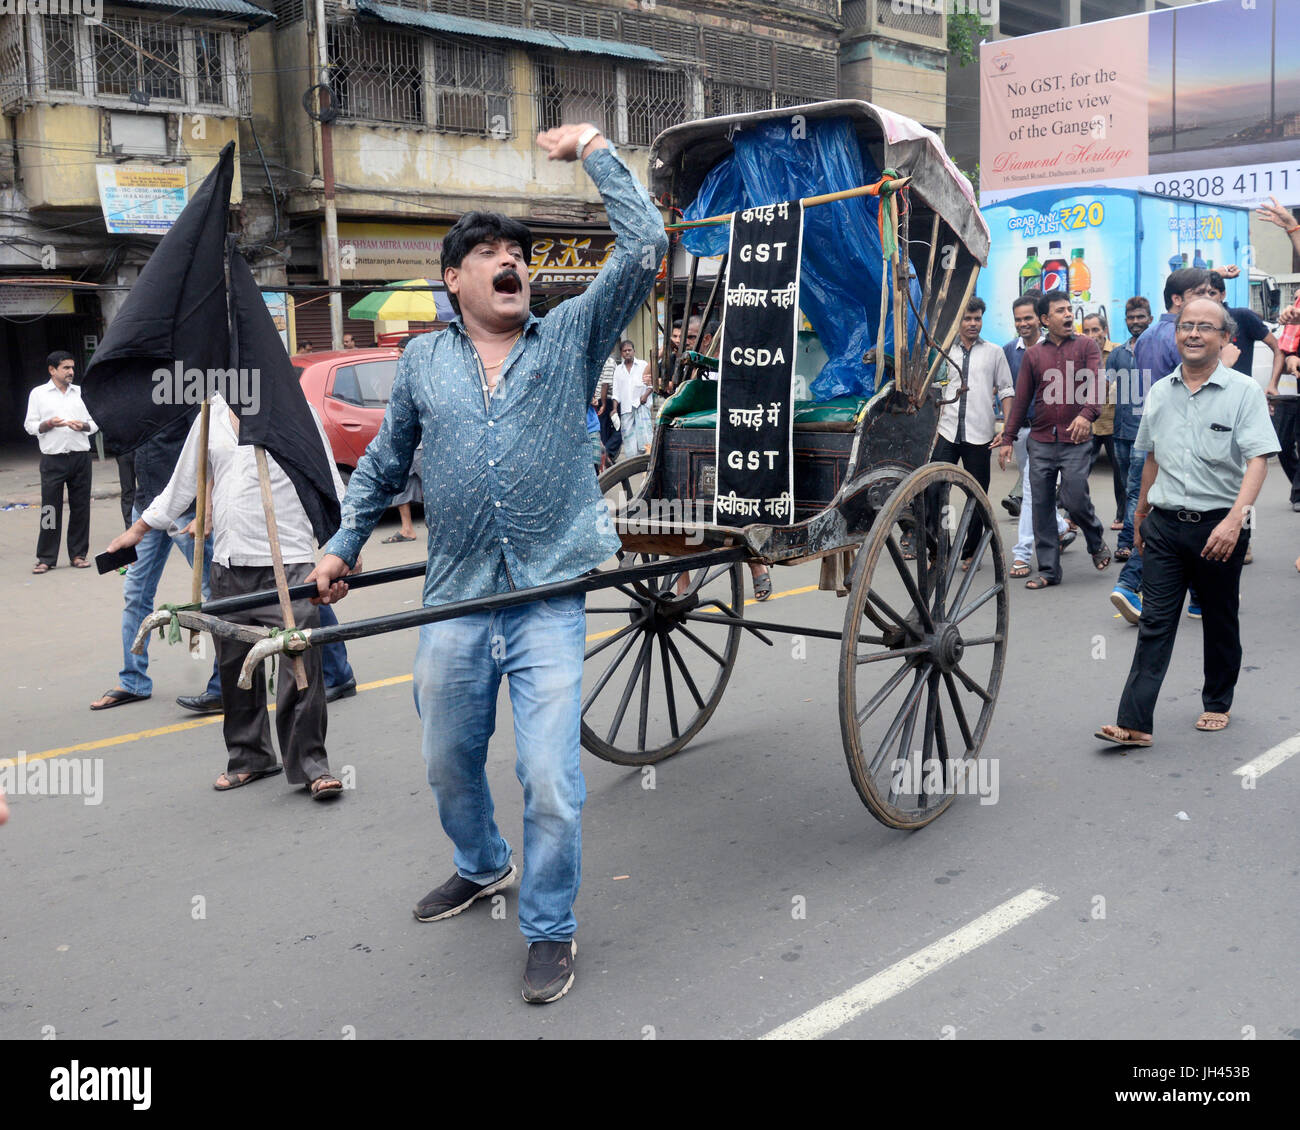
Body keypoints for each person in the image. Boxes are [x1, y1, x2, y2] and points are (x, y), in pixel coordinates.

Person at [307, 121, 668, 1004]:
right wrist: (343, 544)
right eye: (491, 253)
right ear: (455, 279)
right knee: (446, 761)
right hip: (458, 599)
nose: (512, 263)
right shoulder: (424, 362)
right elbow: (386, 465)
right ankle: (481, 865)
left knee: (549, 775)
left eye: (519, 253)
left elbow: (647, 243)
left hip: (550, 593)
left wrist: (592, 150)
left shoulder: (573, 335)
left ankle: (549, 928)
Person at [102, 393, 349, 798]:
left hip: (287, 562)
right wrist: (138, 530)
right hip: (228, 563)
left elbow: (328, 480)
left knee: (298, 666)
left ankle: (311, 765)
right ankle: (250, 757)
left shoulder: (290, 406)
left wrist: (345, 552)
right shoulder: (210, 413)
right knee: (237, 671)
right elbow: (183, 483)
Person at [1095, 299, 1278, 747]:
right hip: (1163, 525)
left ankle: (1217, 702)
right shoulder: (1159, 391)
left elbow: (1258, 460)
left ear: (1224, 338)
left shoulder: (1243, 391)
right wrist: (1139, 515)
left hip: (1219, 527)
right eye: (1186, 326)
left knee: (1219, 618)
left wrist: (1236, 521)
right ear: (1176, 335)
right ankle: (1135, 722)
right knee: (1156, 620)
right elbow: (1152, 455)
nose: (1194, 334)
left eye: (1205, 327)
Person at [89, 420, 224, 712]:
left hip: (188, 508)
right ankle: (133, 681)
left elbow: (212, 453)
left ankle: (223, 684)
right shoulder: (137, 394)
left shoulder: (185, 391)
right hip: (148, 509)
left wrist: (207, 509)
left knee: (216, 593)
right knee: (135, 593)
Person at [1109, 268, 1213, 622]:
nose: (1208, 299)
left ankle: (1200, 597)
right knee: (1170, 519)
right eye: (1201, 293)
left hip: (1149, 436)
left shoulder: (1151, 336)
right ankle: (1130, 582)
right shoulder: (1181, 338)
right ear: (1178, 300)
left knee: (1182, 516)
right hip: (1176, 442)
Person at [998, 289, 1109, 588]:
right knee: (1042, 505)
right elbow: (1021, 401)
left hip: (1076, 440)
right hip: (1041, 441)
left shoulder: (1087, 346)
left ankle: (1095, 538)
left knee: (1074, 497)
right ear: (1046, 319)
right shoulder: (1034, 355)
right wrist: (1008, 437)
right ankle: (1048, 570)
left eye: (1069, 309)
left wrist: (1087, 415)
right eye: (1060, 311)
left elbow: (1098, 386)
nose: (1069, 315)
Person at [932, 298, 1014, 569]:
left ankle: (971, 552)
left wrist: (1008, 431)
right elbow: (935, 388)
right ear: (958, 320)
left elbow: (1005, 390)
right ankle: (938, 551)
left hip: (980, 435)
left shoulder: (994, 352)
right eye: (967, 319)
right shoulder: (943, 351)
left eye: (977, 319)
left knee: (976, 494)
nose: (972, 324)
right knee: (934, 491)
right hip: (946, 432)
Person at [25, 351, 97, 573]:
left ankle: (78, 554)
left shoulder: (81, 393)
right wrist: (47, 424)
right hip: (53, 459)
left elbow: (95, 422)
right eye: (65, 368)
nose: (71, 372)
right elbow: (30, 425)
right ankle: (46, 557)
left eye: (72, 368)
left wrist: (83, 426)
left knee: (80, 508)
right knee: (49, 509)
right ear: (52, 370)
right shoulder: (38, 394)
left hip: (80, 457)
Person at [1108, 296, 1153, 561]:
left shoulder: (1157, 349)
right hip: (1120, 431)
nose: (1136, 322)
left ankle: (1126, 541)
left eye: (1141, 317)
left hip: (1143, 433)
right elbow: (1105, 387)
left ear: (1150, 318)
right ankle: (1143, 533)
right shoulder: (1117, 354)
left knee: (1136, 488)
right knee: (1128, 488)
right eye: (1131, 318)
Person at [999, 291, 1042, 520]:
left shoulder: (1052, 348)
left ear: (1040, 319)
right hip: (1021, 432)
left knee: (1038, 483)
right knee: (1031, 484)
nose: (1023, 323)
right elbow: (1004, 390)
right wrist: (1007, 432)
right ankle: (1055, 530)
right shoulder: (1008, 351)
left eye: (1028, 318)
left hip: (1046, 431)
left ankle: (1057, 528)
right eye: (1018, 319)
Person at [1082, 312, 1125, 531]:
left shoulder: (1118, 351)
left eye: (1095, 330)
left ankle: (1121, 516)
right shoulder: (1081, 354)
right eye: (1086, 331)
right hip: (1090, 423)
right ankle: (1073, 516)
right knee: (1079, 473)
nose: (1091, 335)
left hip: (1113, 422)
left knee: (1120, 474)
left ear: (1105, 330)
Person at [612, 339, 653, 458]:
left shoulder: (643, 365)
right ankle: (633, 467)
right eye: (624, 351)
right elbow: (616, 392)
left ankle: (648, 465)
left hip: (641, 406)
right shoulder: (618, 370)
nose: (627, 353)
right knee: (629, 440)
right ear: (621, 353)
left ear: (634, 351)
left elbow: (652, 384)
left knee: (646, 439)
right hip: (626, 409)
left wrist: (645, 396)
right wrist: (614, 409)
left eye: (629, 350)